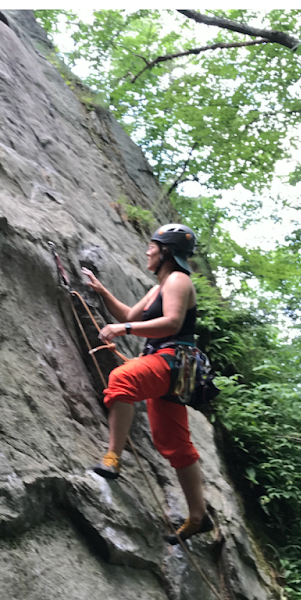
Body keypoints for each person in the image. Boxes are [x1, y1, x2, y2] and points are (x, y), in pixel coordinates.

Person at [80, 224, 212, 544]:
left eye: (152, 246)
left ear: (165, 250)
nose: (148, 251)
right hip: (170, 366)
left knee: (121, 379)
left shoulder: (179, 281)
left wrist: (122, 329)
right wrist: (102, 291)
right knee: (172, 442)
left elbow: (172, 323)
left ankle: (113, 457)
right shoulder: (158, 287)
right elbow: (131, 314)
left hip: (173, 360)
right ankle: (198, 517)